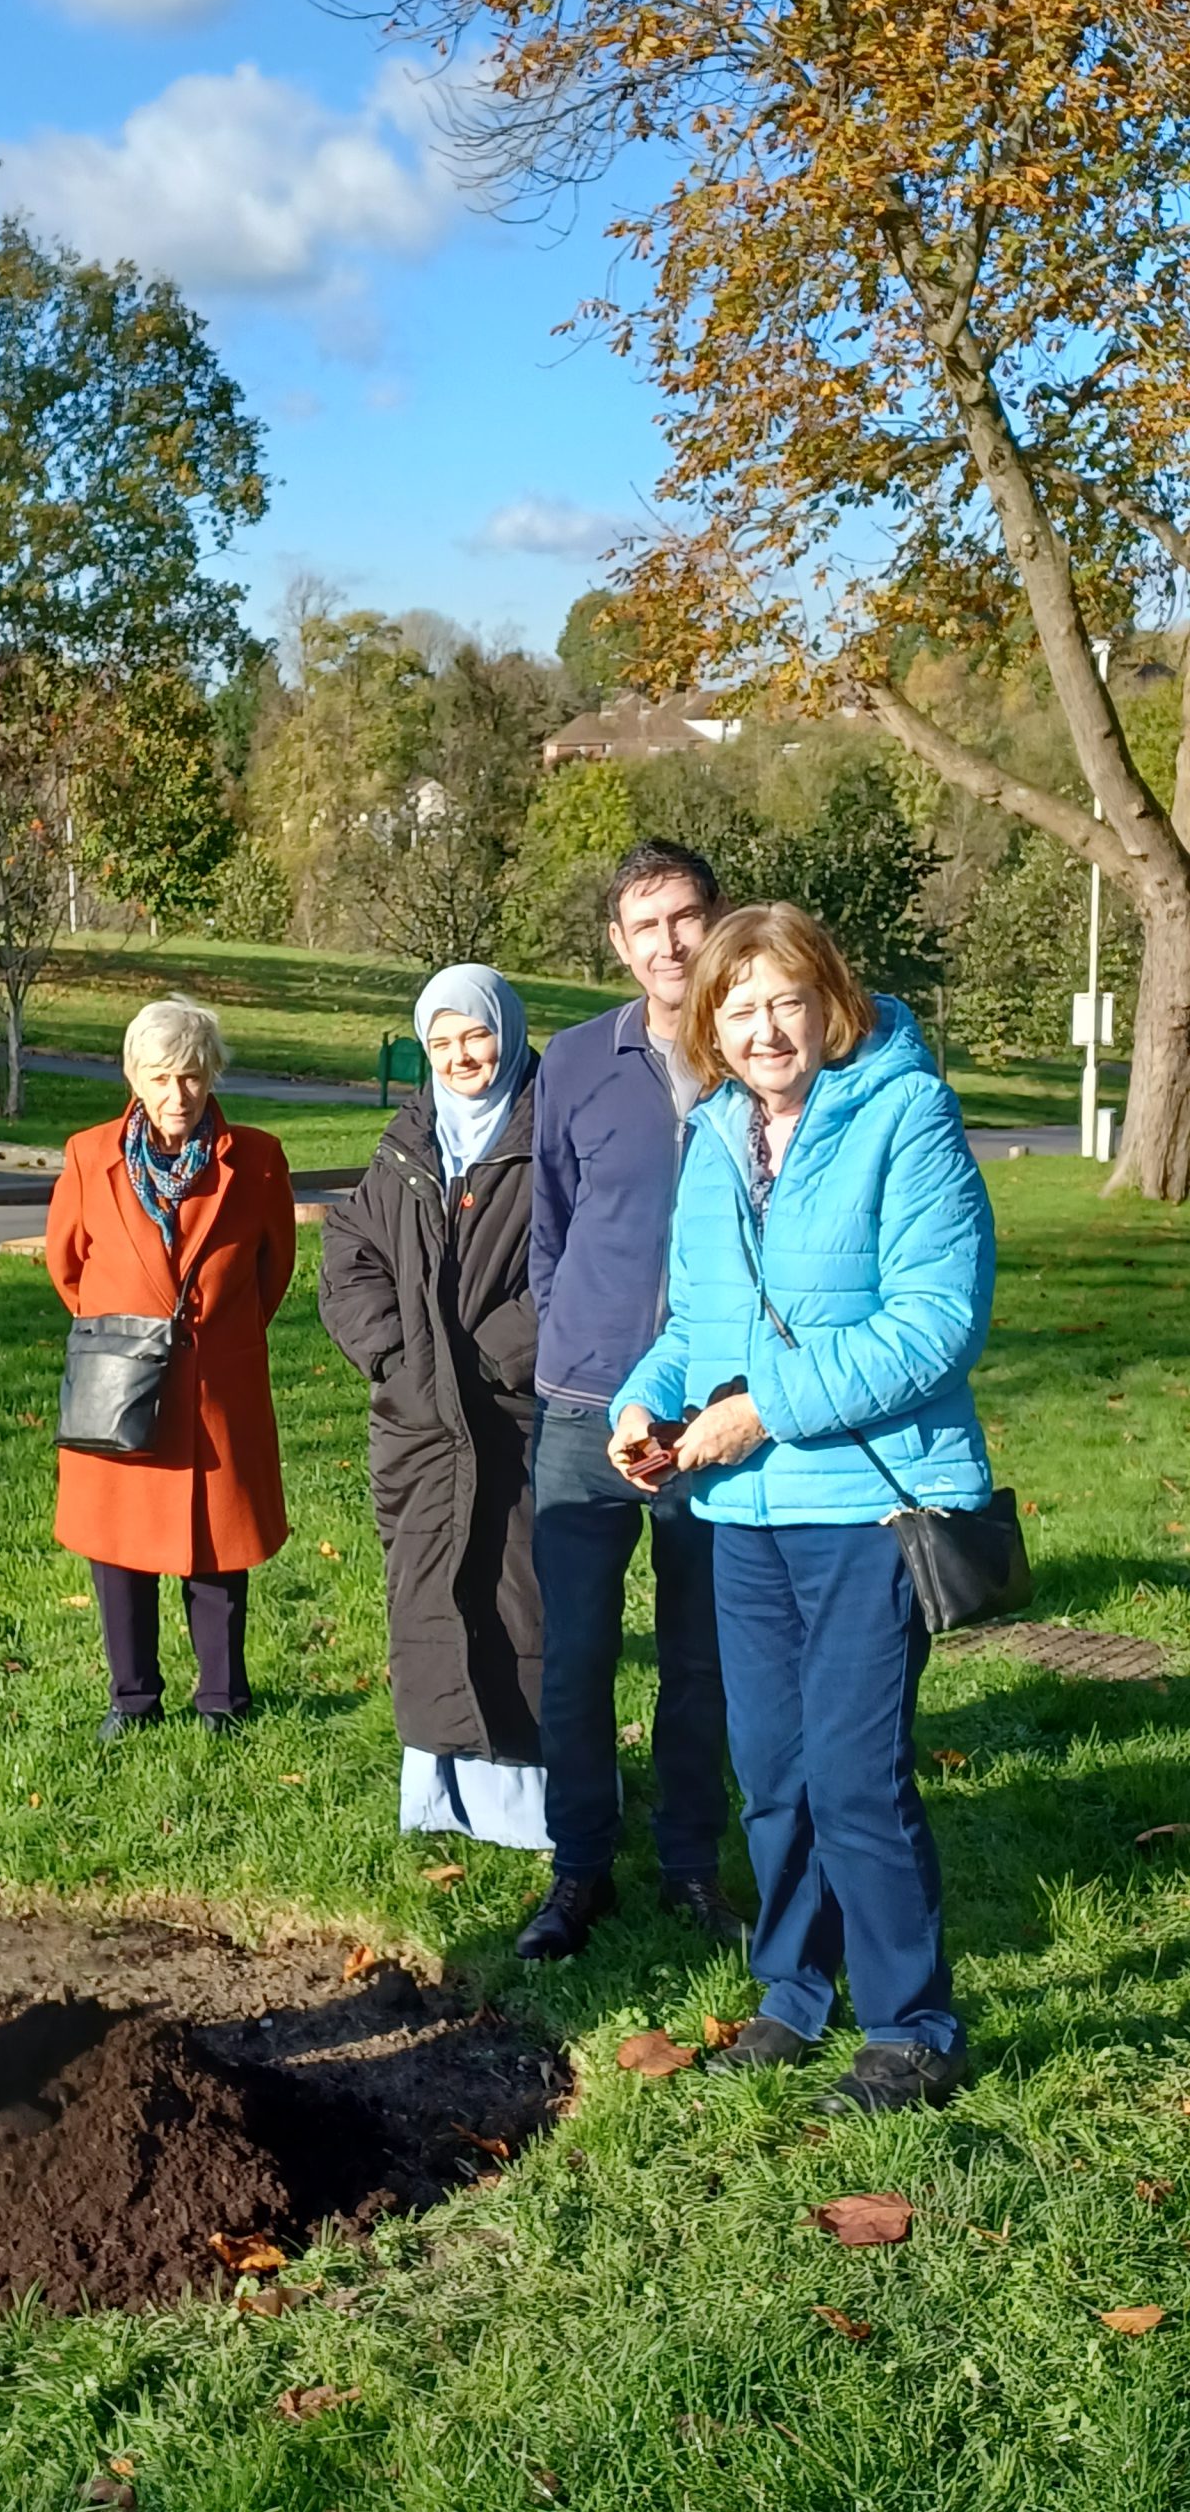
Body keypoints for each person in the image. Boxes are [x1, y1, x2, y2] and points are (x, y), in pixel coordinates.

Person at [610, 904, 993, 2114]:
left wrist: (761, 1410)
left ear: (831, 1002)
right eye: (739, 1006)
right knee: (769, 1766)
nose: (765, 1027)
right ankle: (792, 1991)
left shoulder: (906, 1113)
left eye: (786, 1000)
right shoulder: (716, 1134)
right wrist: (643, 1403)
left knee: (851, 1771)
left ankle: (913, 2026)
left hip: (871, 1508)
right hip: (742, 1513)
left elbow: (935, 1325)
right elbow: (693, 1326)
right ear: (711, 1025)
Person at [517, 838, 740, 1960]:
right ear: (617, 942)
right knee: (577, 1654)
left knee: (703, 1654)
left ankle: (694, 1865)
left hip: (719, 1418)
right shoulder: (574, 1061)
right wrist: (576, 1336)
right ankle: (578, 1869)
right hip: (580, 1407)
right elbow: (549, 1220)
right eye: (645, 925)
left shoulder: (759, 1051)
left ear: (717, 919)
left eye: (686, 917)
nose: (668, 943)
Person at [319, 964, 547, 1847]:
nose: (462, 1057)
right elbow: (349, 1251)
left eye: (476, 1035)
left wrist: (493, 1356)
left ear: (509, 1031)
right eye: (442, 1043)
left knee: (518, 1595)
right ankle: (438, 1797)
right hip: (417, 1417)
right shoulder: (411, 1140)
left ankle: (520, 1810)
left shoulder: (547, 1133)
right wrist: (389, 1353)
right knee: (423, 1595)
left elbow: (585, 1268)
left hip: (514, 1413)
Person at [46, 997, 296, 1737]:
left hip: (219, 1385)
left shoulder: (256, 1158)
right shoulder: (89, 1156)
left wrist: (215, 1339)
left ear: (211, 1075)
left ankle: (222, 1700)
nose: (176, 1096)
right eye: (159, 1078)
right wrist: (129, 1337)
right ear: (135, 1079)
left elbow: (272, 1270)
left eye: (190, 1076)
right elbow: (68, 1268)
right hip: (119, 1382)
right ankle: (133, 1700)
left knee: (217, 1552)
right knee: (118, 1552)